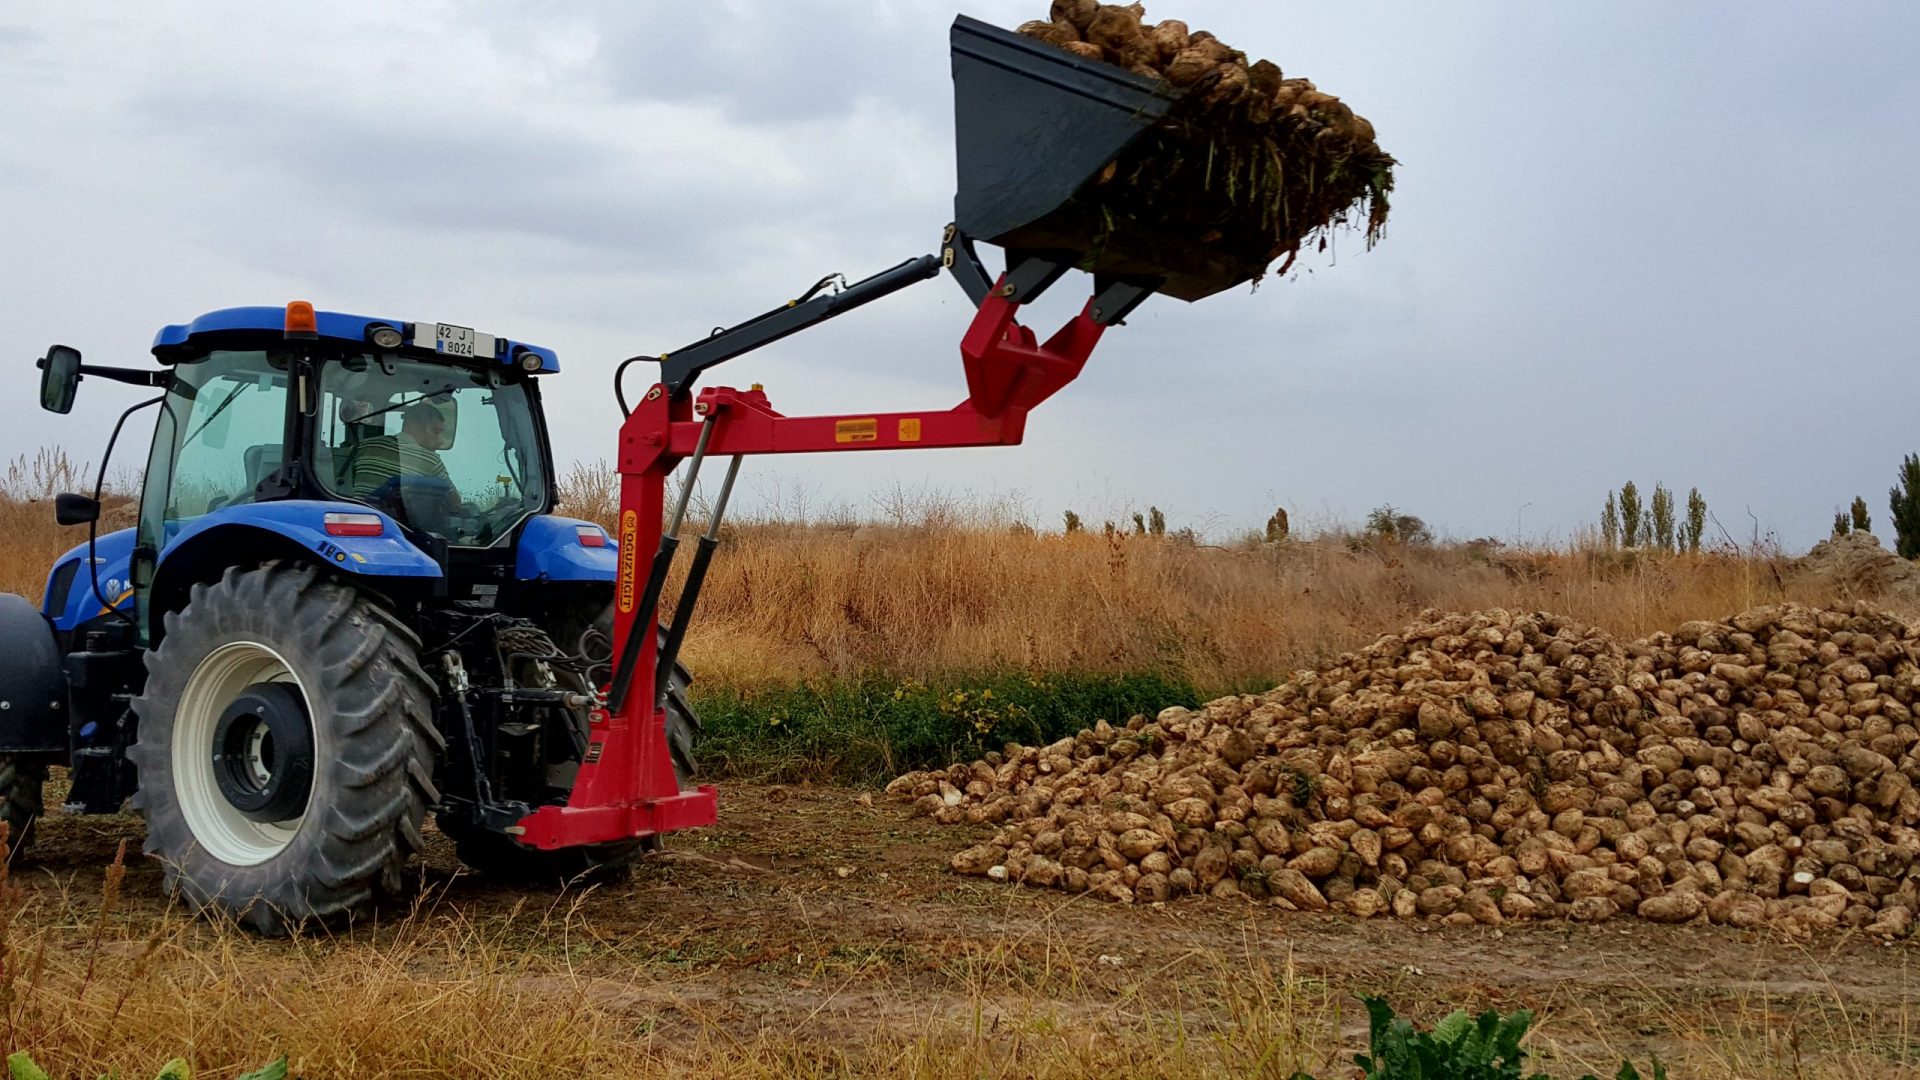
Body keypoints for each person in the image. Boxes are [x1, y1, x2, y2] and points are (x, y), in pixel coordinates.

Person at [348, 400, 454, 501]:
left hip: (358, 515)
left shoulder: (363, 446)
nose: (440, 441)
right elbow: (454, 502)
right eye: (436, 431)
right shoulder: (431, 461)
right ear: (414, 427)